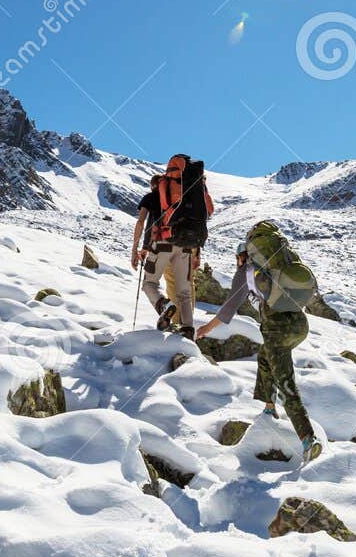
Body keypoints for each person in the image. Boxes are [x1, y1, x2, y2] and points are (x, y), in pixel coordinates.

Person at [198, 222, 322, 463]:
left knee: (285, 380)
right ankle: (268, 407)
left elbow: (228, 310)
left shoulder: (246, 273)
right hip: (299, 324)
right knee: (265, 357)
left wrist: (205, 329)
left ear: (243, 256)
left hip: (278, 327)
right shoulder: (273, 272)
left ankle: (308, 439)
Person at [136, 155, 213, 340]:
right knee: (185, 292)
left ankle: (164, 305)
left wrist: (139, 248)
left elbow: (142, 223)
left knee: (149, 283)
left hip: (163, 242)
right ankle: (187, 330)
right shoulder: (193, 189)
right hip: (187, 246)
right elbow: (209, 210)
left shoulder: (157, 192)